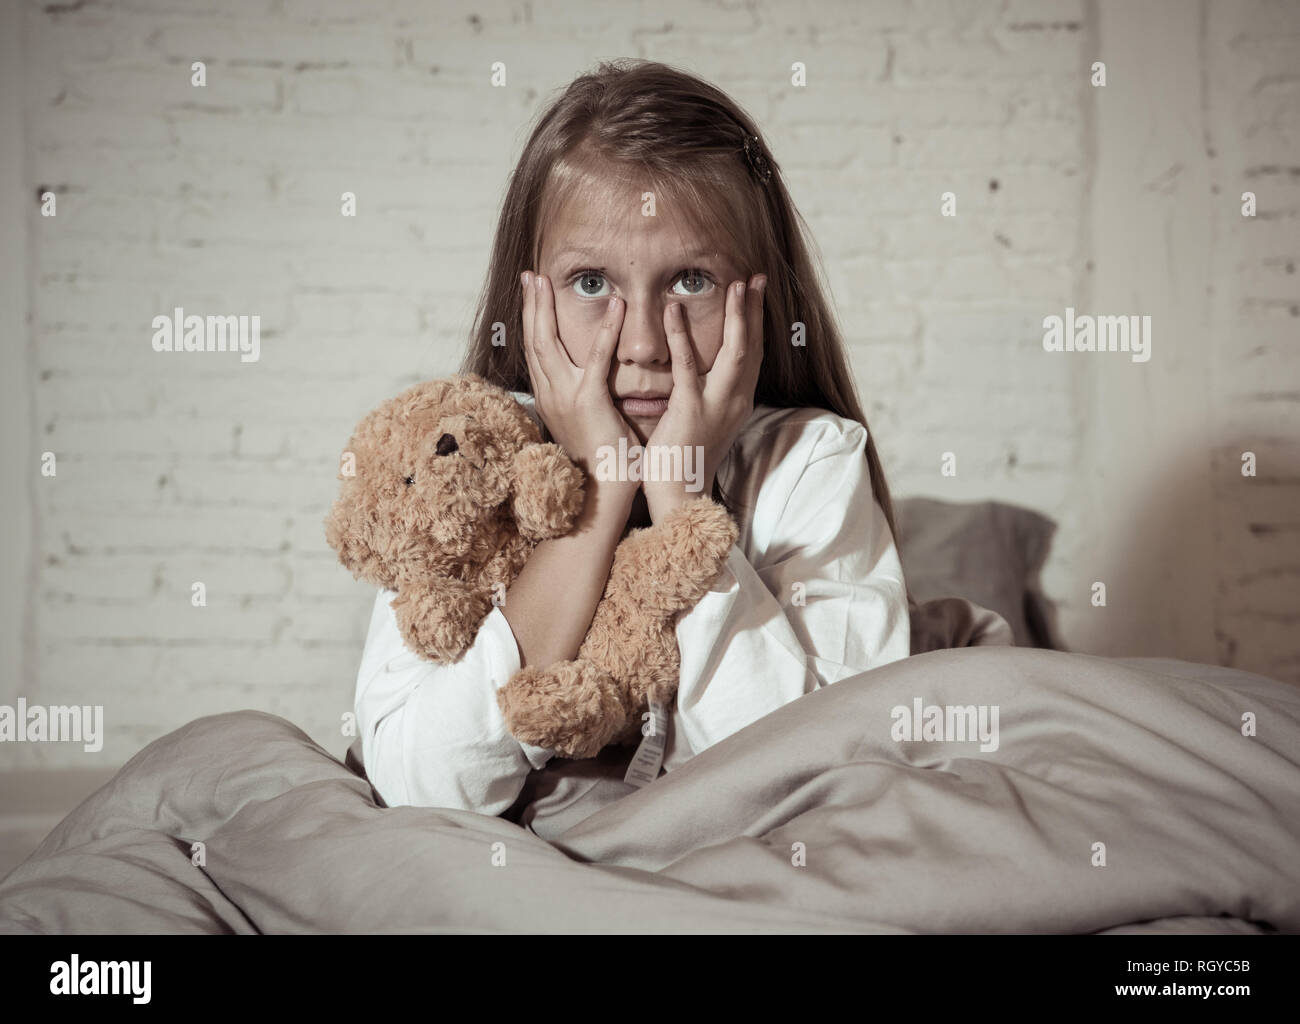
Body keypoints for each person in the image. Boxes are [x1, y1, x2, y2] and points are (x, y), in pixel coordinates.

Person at [355, 59, 912, 816]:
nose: (644, 344)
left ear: (761, 295)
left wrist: (682, 498)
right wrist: (596, 491)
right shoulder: (460, 468)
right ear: (529, 299)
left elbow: (822, 777)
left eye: (691, 281)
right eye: (592, 283)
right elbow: (427, 788)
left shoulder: (809, 462)